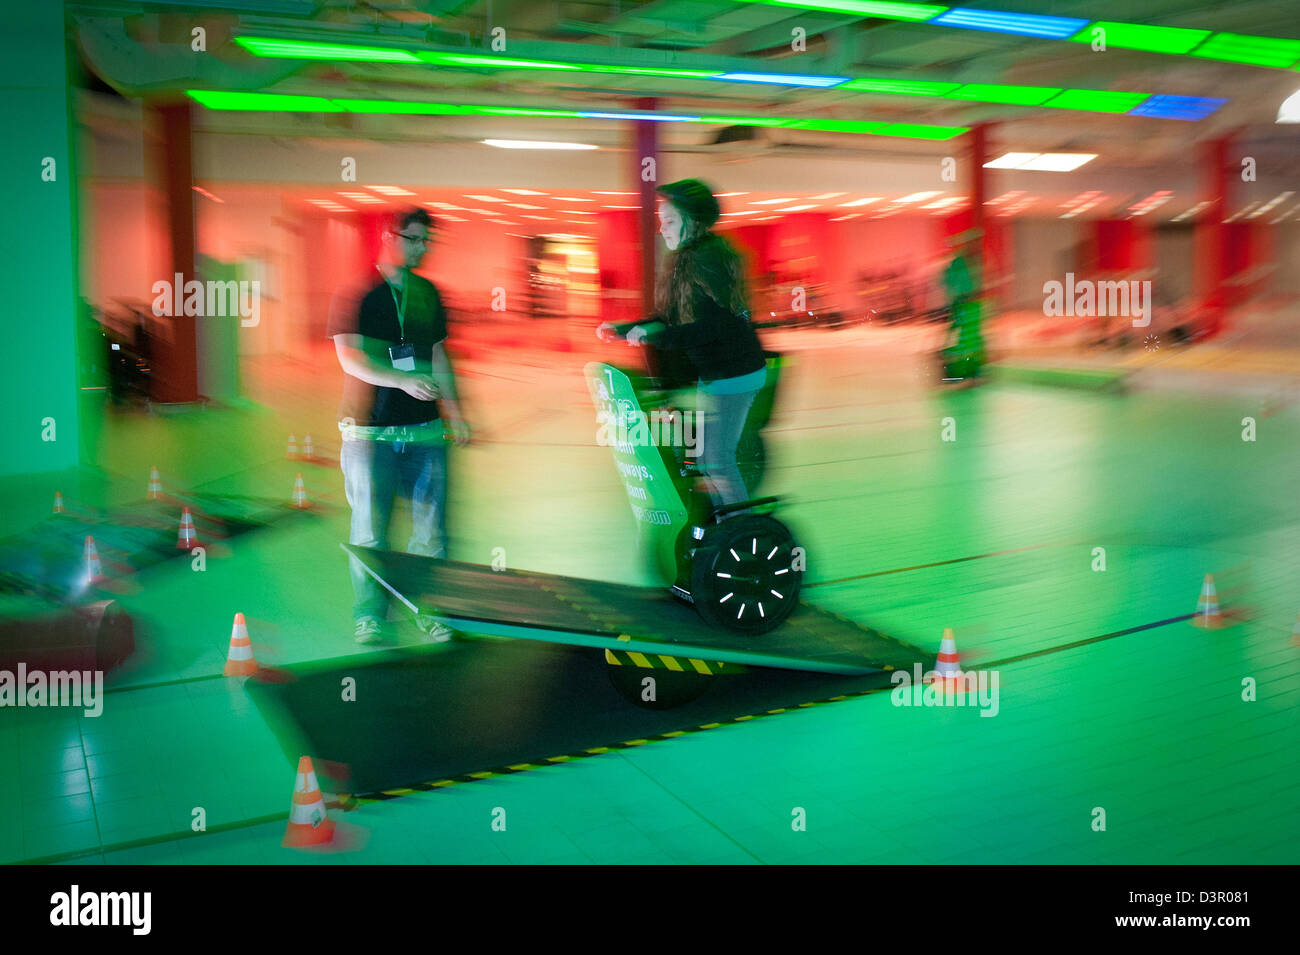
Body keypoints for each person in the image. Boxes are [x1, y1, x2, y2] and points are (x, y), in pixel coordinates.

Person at [327, 207, 471, 645]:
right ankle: (370, 613)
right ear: (390, 237)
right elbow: (350, 357)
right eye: (414, 239)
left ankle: (430, 608)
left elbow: (441, 356)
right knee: (372, 530)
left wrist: (457, 411)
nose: (422, 248)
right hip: (370, 434)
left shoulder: (430, 294)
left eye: (427, 241)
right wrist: (403, 380)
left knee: (432, 532)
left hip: (426, 433)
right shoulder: (359, 295)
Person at [598, 179, 767, 507]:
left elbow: (710, 328)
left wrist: (656, 335)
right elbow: (665, 315)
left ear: (694, 221)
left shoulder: (713, 258)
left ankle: (738, 525)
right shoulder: (684, 260)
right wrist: (624, 329)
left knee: (716, 458)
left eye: (670, 221)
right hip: (715, 372)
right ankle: (723, 520)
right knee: (705, 456)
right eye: (662, 222)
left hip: (737, 372)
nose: (663, 230)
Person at [941, 229, 987, 381]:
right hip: (964, 304)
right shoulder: (959, 263)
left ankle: (971, 368)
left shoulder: (973, 261)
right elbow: (949, 282)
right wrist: (955, 300)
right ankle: (958, 368)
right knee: (965, 339)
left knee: (972, 339)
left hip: (972, 305)